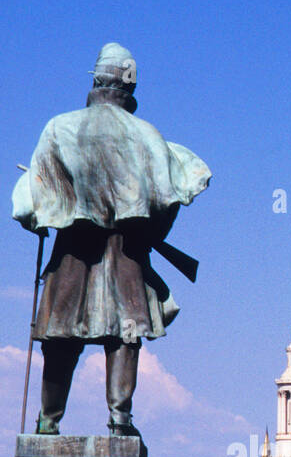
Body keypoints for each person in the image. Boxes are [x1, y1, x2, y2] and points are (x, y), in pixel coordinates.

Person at [12, 42, 211, 437]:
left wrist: (41, 220)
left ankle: (48, 421)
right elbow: (166, 199)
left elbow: (30, 202)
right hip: (127, 252)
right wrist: (147, 231)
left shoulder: (59, 127)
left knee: (60, 334)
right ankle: (120, 419)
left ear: (97, 79)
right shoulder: (147, 135)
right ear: (130, 85)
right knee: (126, 332)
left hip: (71, 250)